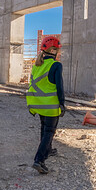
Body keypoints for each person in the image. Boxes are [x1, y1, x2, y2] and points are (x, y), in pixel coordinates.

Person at [26, 34, 66, 174]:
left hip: (37, 103)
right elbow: (59, 87)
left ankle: (48, 150)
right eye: (58, 50)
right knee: (49, 131)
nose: (59, 52)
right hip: (50, 105)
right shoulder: (56, 65)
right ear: (53, 50)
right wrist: (62, 103)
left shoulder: (37, 64)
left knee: (44, 128)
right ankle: (39, 160)